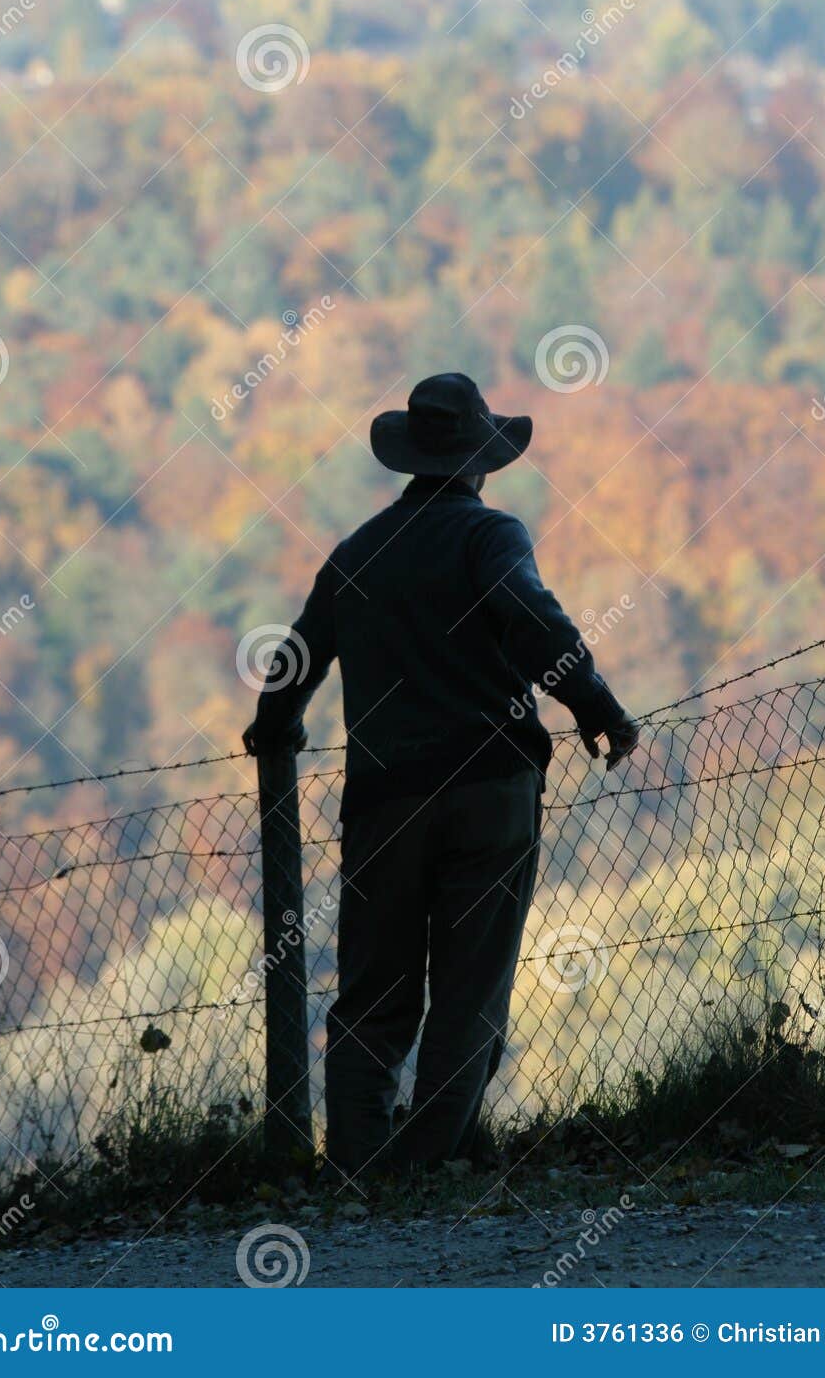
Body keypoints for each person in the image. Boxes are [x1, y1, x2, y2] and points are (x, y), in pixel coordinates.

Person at [243, 372, 639, 1181]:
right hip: (489, 789)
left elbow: (295, 658)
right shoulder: (490, 535)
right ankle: (426, 1170)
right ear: (479, 462)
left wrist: (273, 730)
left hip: (384, 801)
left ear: (410, 459)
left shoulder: (356, 554)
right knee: (470, 992)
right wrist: (594, 704)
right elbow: (530, 619)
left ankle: (357, 1170)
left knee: (372, 995)